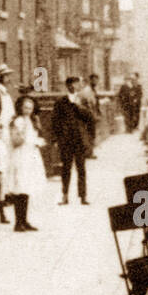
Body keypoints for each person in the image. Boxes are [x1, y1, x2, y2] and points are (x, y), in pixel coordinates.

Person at [52, 76, 95, 205]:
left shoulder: (82, 100)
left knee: (81, 168)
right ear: (67, 86)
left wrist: (91, 139)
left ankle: (83, 196)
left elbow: (90, 117)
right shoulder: (61, 101)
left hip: (80, 139)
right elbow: (55, 121)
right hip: (66, 140)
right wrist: (56, 139)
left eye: (76, 84)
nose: (73, 86)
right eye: (70, 84)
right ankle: (65, 195)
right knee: (66, 168)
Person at [6, 94, 46, 232]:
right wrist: (24, 135)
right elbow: (16, 141)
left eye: (30, 107)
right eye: (25, 107)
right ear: (20, 107)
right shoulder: (18, 121)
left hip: (31, 156)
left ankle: (24, 220)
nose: (28, 110)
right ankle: (18, 222)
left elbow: (34, 137)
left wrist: (38, 141)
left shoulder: (33, 120)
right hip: (21, 156)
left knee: (27, 188)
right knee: (20, 188)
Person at [80, 74, 102, 157]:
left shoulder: (93, 90)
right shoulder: (87, 90)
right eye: (94, 80)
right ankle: (88, 152)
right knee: (89, 134)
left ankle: (90, 151)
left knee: (92, 134)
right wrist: (93, 114)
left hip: (91, 115)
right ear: (90, 80)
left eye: (97, 80)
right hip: (88, 115)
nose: (95, 82)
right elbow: (89, 104)